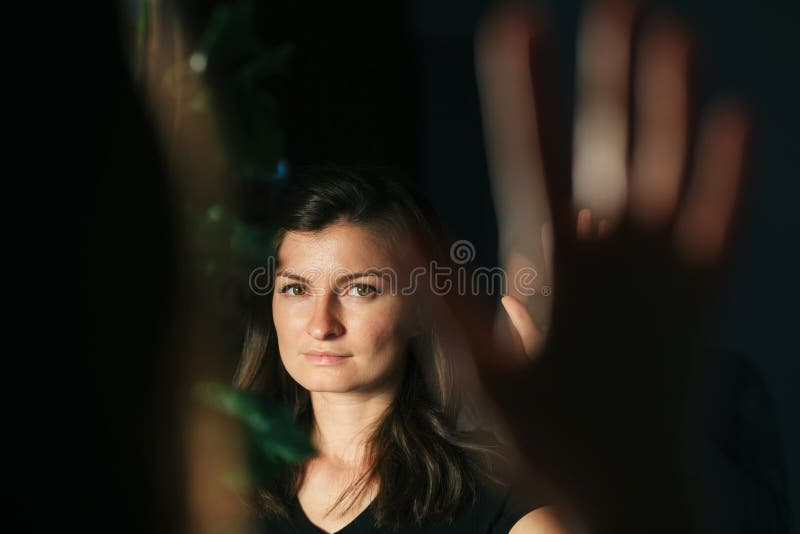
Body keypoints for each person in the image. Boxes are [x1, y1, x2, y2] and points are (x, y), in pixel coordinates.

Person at [233, 165, 572, 533]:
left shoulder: (491, 493)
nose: (321, 325)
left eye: (360, 289)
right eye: (296, 289)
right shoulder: (222, 477)